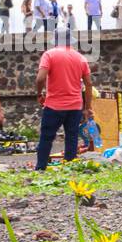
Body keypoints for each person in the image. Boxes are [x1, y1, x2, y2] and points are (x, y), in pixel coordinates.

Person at [35, 43, 93, 171]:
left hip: (53, 106)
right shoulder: (80, 58)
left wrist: (39, 94)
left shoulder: (49, 54)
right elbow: (89, 84)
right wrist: (87, 107)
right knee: (71, 137)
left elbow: (40, 78)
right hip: (75, 106)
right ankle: (69, 168)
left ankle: (40, 168)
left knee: (46, 137)